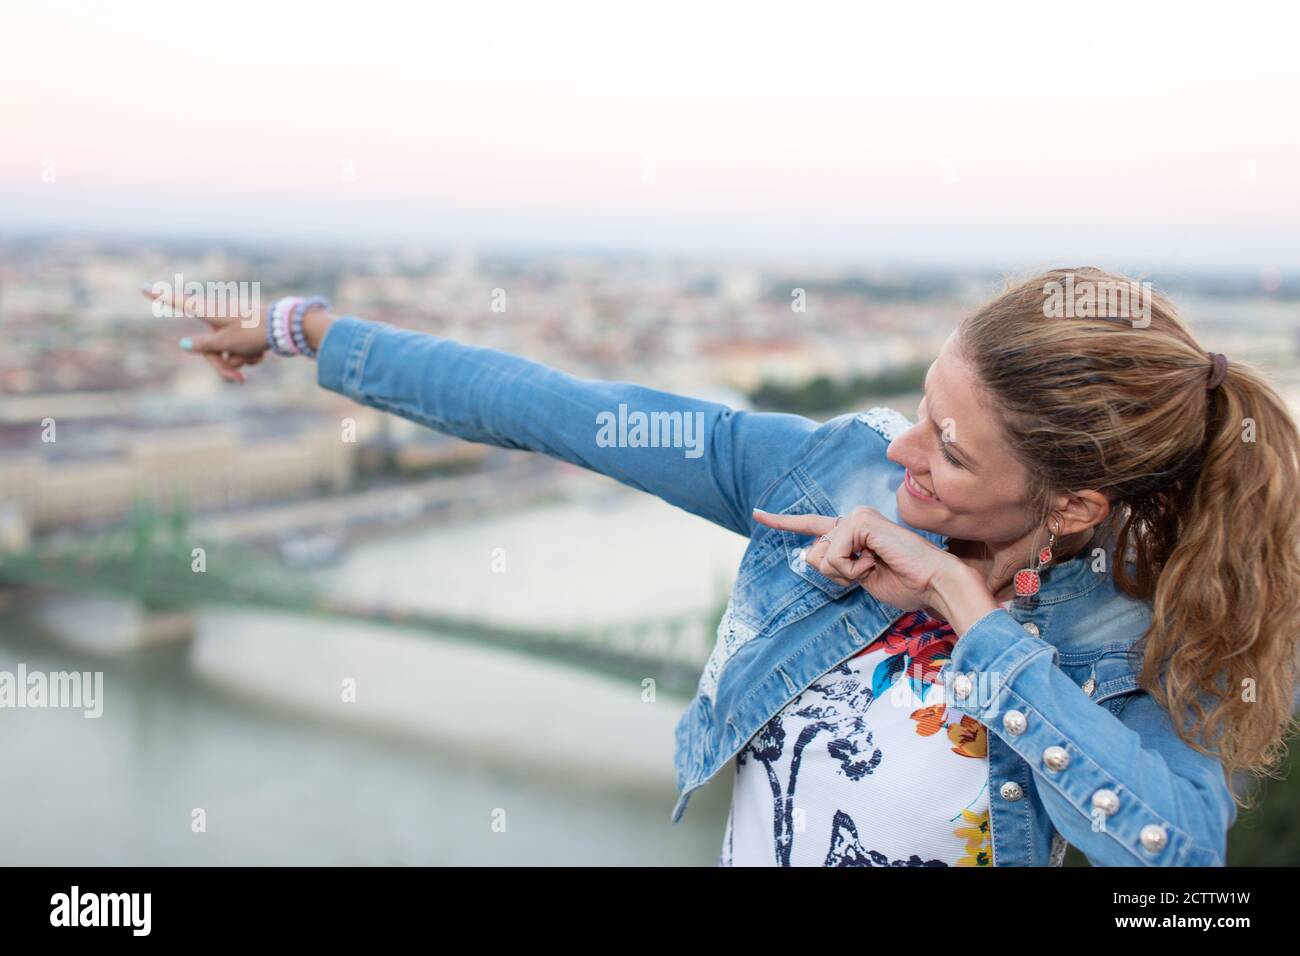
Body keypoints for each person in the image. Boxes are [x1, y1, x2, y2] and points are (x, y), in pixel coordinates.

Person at [145, 267, 1300, 866]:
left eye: (949, 449)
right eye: (921, 409)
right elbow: (557, 409)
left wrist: (966, 611)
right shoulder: (829, 470)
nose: (899, 452)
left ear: (1074, 502)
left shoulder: (1142, 628)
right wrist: (305, 332)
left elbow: (1174, 851)